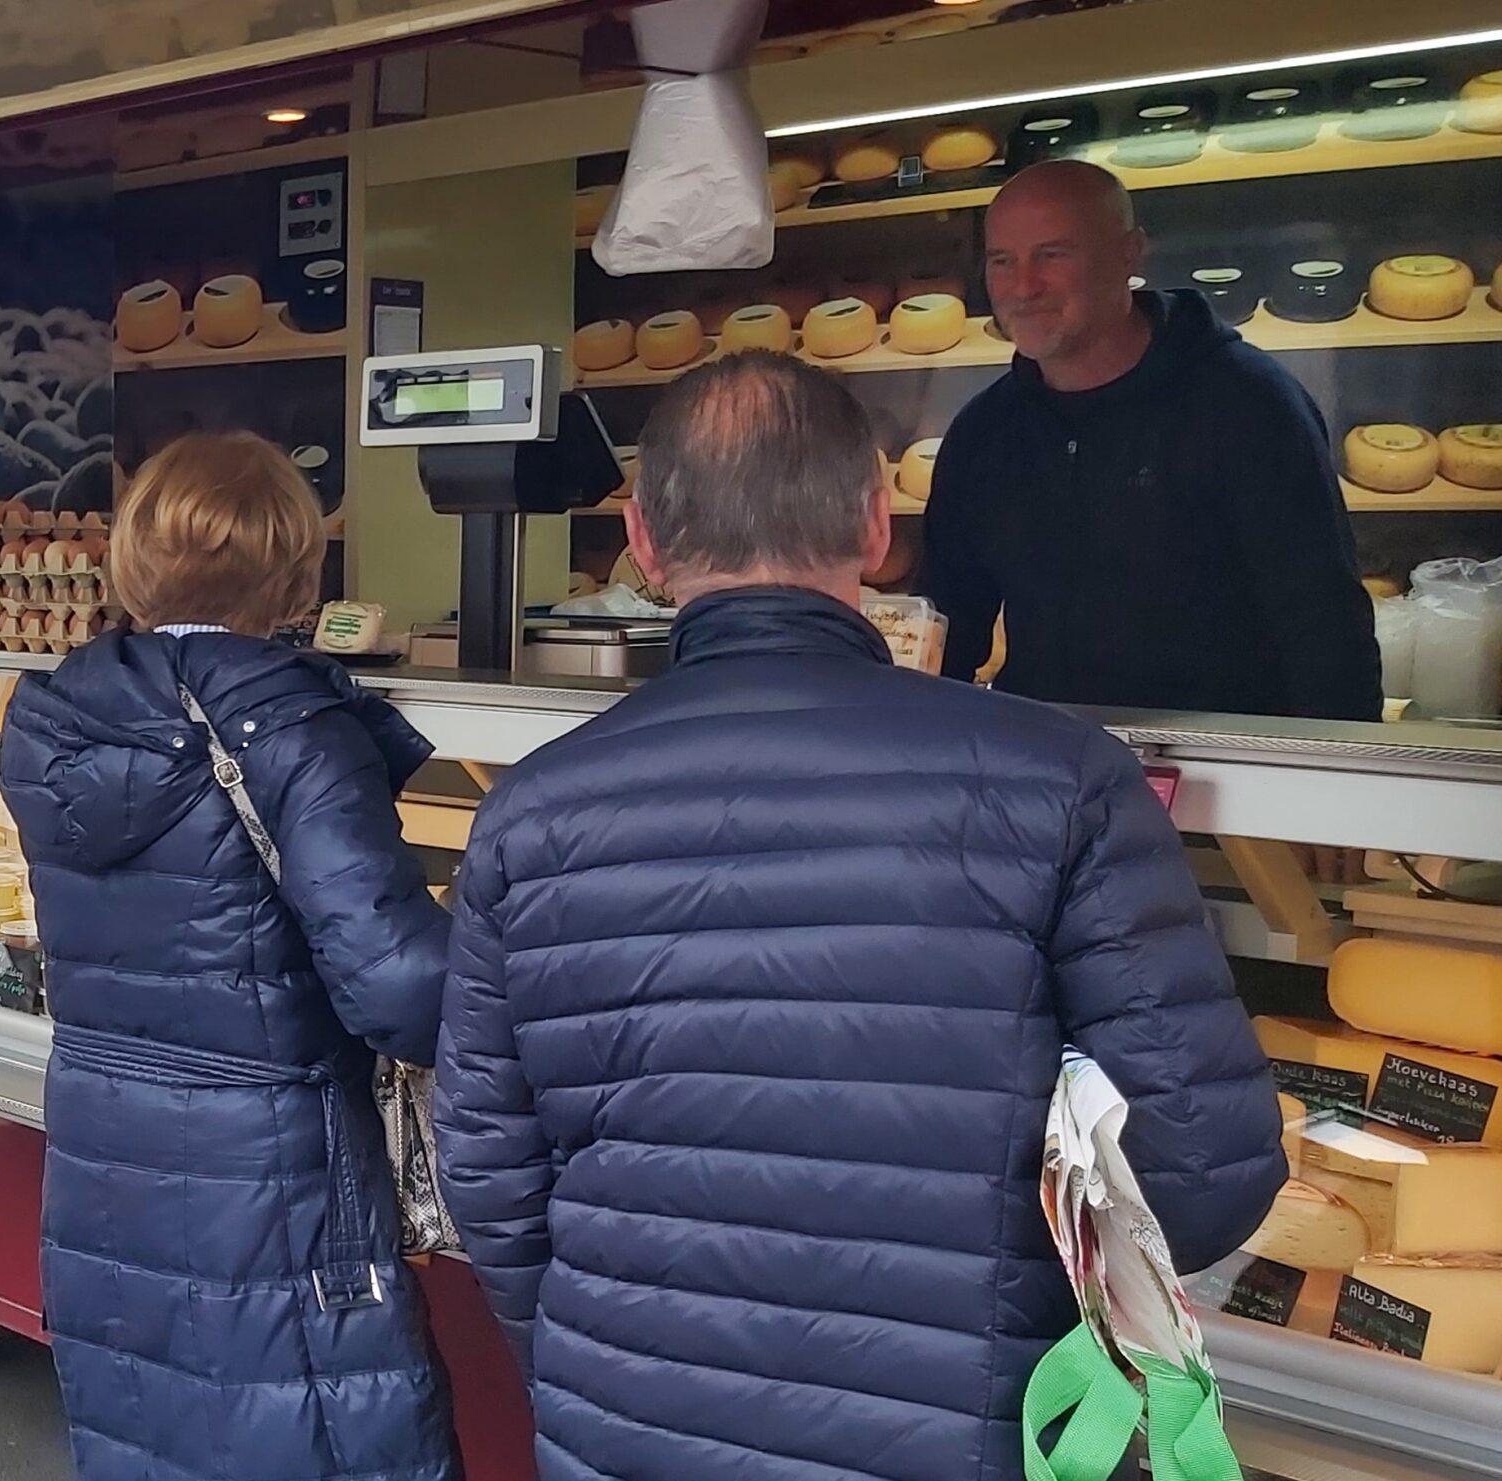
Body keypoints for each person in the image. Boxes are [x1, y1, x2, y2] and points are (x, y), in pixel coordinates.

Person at [433, 352, 1285, 1481]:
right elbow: (1201, 1168)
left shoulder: (528, 813)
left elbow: (488, 1175)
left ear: (639, 542)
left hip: (622, 1424)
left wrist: (607, 1350)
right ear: (877, 523)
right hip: (963, 1428)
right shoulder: (1062, 780)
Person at [0, 432, 458, 1481]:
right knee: (315, 1436)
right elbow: (396, 985)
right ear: (298, 575)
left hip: (104, 1134)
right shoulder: (292, 721)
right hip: (270, 1157)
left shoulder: (56, 715)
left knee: (153, 1427)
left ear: (129, 562)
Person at [920, 158, 1381, 721]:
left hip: (1222, 766)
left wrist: (1331, 784)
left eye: (1052, 255)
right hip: (1053, 759)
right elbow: (947, 627)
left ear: (1129, 254)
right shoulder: (984, 434)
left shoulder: (1248, 406)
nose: (1023, 287)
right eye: (1002, 261)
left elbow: (1326, 636)